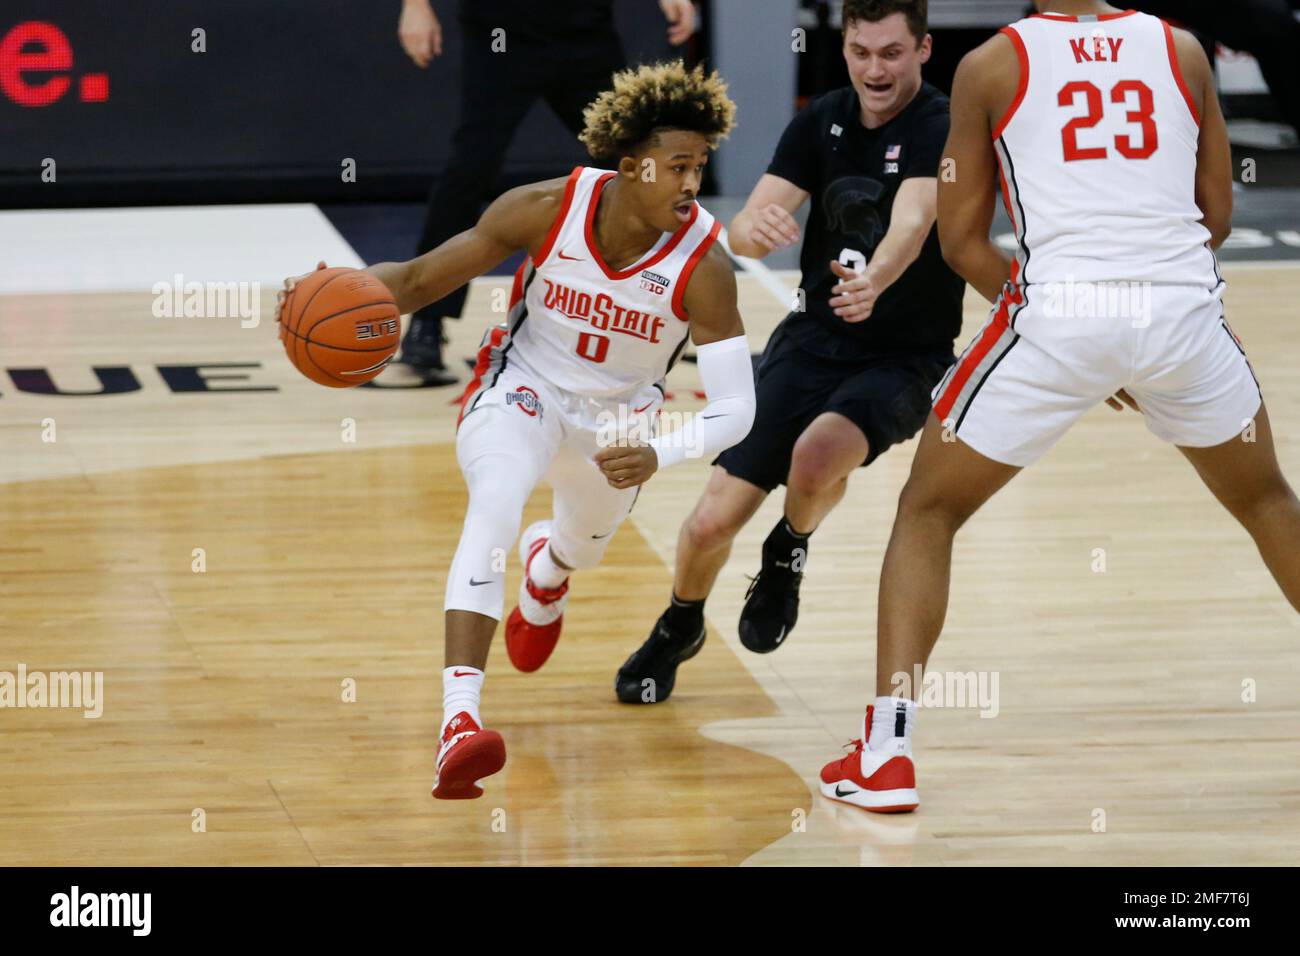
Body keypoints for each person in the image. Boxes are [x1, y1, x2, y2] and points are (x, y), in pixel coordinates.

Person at [819, 0, 1300, 814]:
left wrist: (1077, 334)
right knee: (1266, 500)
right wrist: (1143, 318)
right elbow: (1214, 214)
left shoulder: (990, 66)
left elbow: (961, 241)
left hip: (1061, 318)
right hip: (1182, 315)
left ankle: (887, 751)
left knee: (928, 509)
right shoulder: (1182, 49)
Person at [279, 61, 756, 798]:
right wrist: (323, 295)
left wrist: (662, 450)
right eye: (678, 166)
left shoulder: (705, 267)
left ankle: (550, 570)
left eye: (701, 166)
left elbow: (736, 410)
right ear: (631, 166)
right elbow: (414, 282)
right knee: (493, 509)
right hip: (522, 389)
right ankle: (459, 724)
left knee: (584, 547)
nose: (693, 184)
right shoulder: (542, 209)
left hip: (620, 426)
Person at [614, 0, 964, 705]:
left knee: (817, 456)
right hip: (810, 342)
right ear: (846, 49)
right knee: (711, 519)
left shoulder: (940, 123)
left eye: (892, 53)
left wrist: (877, 279)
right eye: (862, 52)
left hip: (906, 356)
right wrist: (753, 225)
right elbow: (742, 231)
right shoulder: (822, 118)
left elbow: (915, 219)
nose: (875, 69)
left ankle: (787, 552)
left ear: (923, 50)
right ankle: (679, 623)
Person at [392, 0, 698, 385]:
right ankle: (427, 324)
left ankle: (672, 309)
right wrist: (416, 6)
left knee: (637, 162)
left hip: (584, 31)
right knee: (470, 167)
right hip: (500, 35)